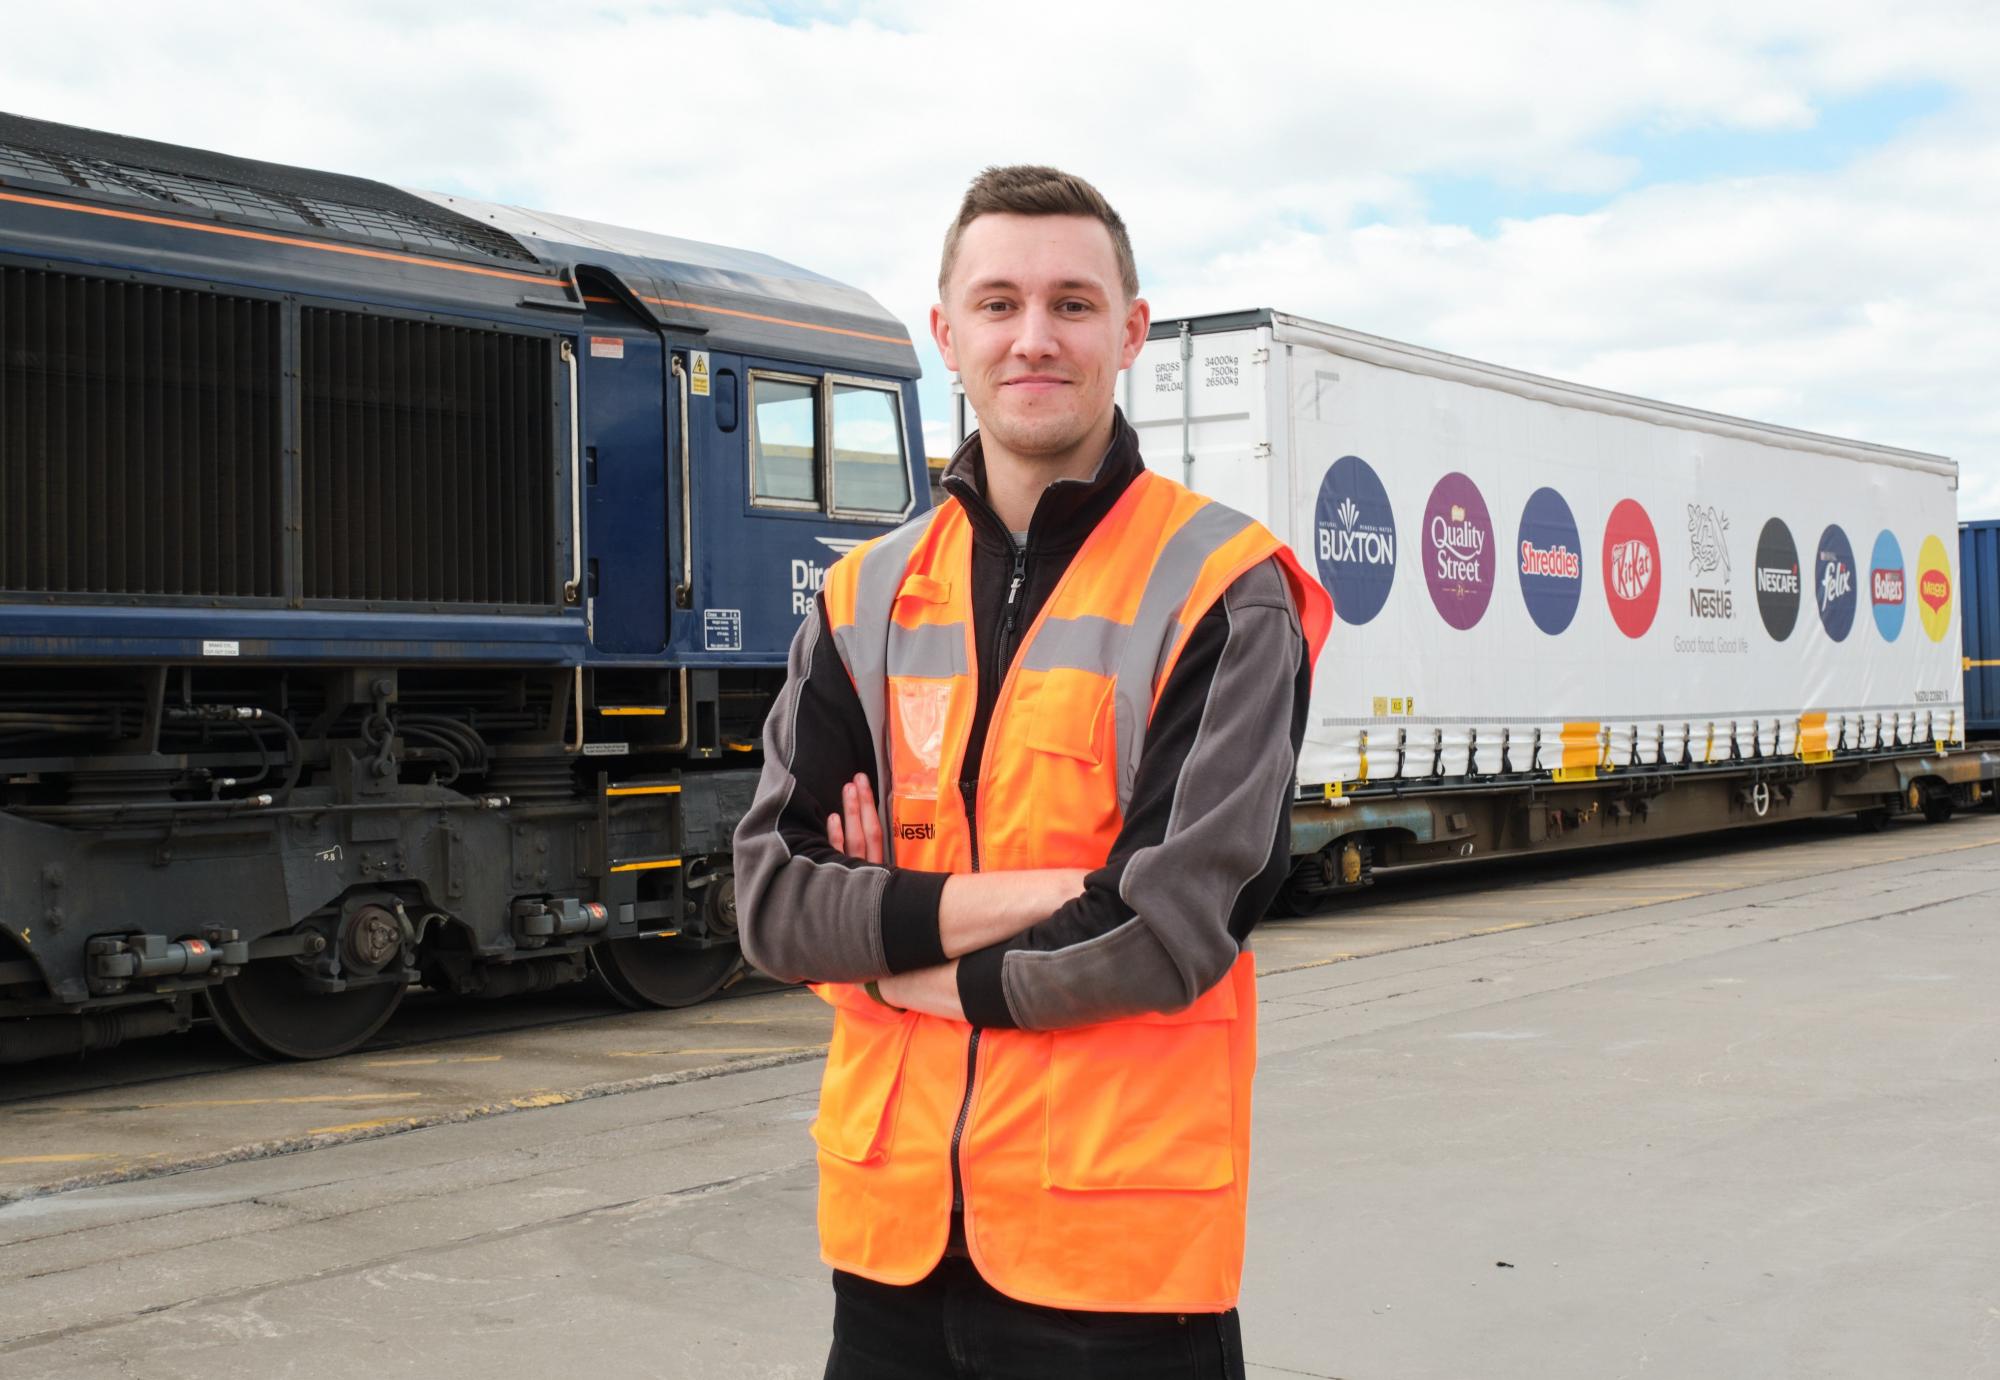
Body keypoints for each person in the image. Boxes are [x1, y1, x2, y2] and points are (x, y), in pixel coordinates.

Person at [734, 164, 1331, 1379]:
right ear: (945, 333)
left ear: (1130, 331)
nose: (1033, 337)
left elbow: (1160, 932)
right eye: (998, 304)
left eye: (1071, 303)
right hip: (891, 1257)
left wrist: (894, 962)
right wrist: (1052, 889)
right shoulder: (861, 597)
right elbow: (775, 907)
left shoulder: (1223, 587)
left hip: (1116, 1264)